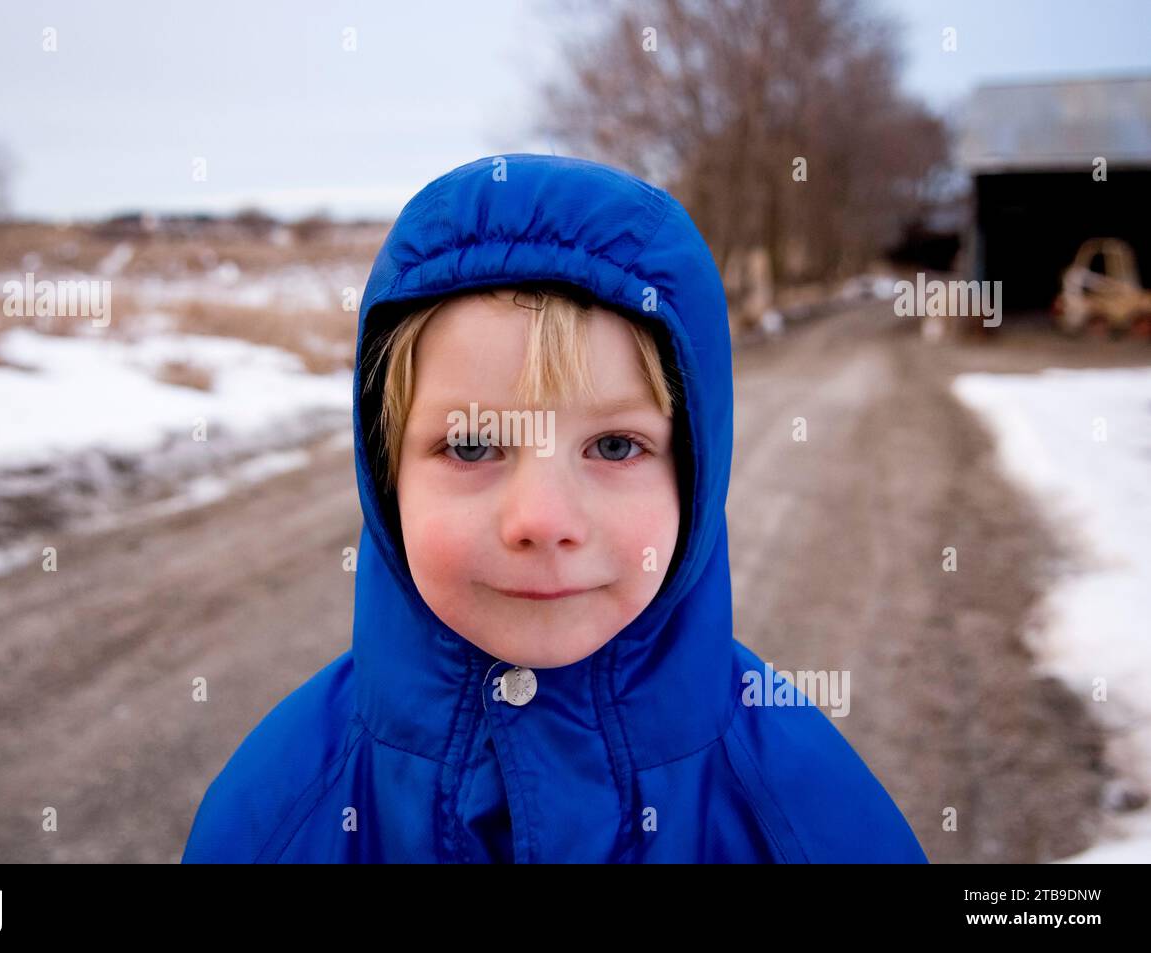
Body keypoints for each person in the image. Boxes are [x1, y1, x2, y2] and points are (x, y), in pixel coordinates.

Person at [181, 152, 928, 863]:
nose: (541, 518)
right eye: (473, 446)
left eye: (613, 446)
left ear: (695, 475)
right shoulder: (273, 819)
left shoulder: (806, 819)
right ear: (386, 476)